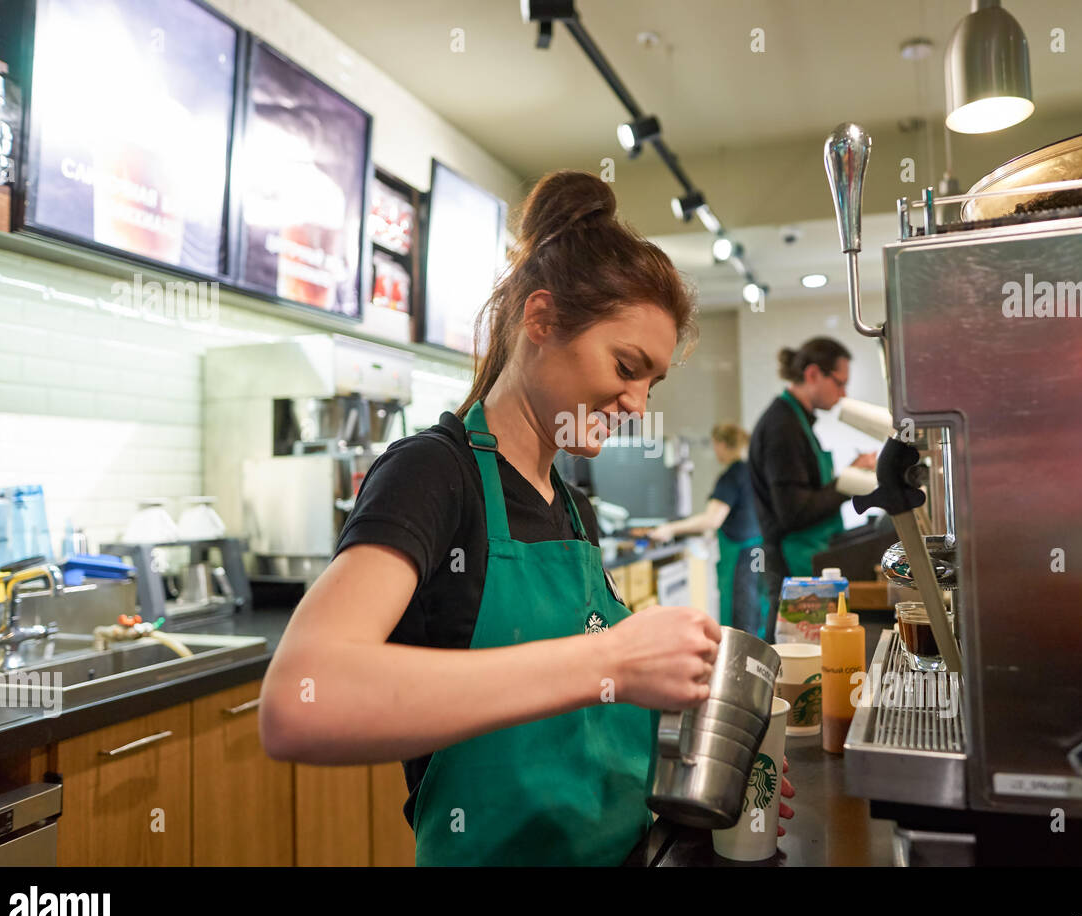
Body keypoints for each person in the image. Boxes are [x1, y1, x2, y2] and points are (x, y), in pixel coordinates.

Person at [258, 170, 793, 866]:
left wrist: (697, 756)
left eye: (651, 383)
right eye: (626, 366)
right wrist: (613, 659)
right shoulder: (433, 474)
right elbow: (301, 702)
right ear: (541, 321)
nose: (638, 403)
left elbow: (583, 718)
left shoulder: (573, 507)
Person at [748, 337, 876, 643]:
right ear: (813, 374)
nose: (844, 394)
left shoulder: (798, 422)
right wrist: (850, 481)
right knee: (790, 660)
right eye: (840, 383)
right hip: (793, 565)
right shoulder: (783, 426)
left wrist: (849, 477)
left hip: (806, 560)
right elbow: (794, 511)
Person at [635, 423, 770, 638]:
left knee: (741, 620)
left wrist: (670, 528)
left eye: (715, 445)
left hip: (741, 558)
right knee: (755, 609)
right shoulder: (751, 472)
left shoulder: (732, 476)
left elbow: (712, 519)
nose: (715, 451)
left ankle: (738, 668)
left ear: (723, 445)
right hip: (758, 553)